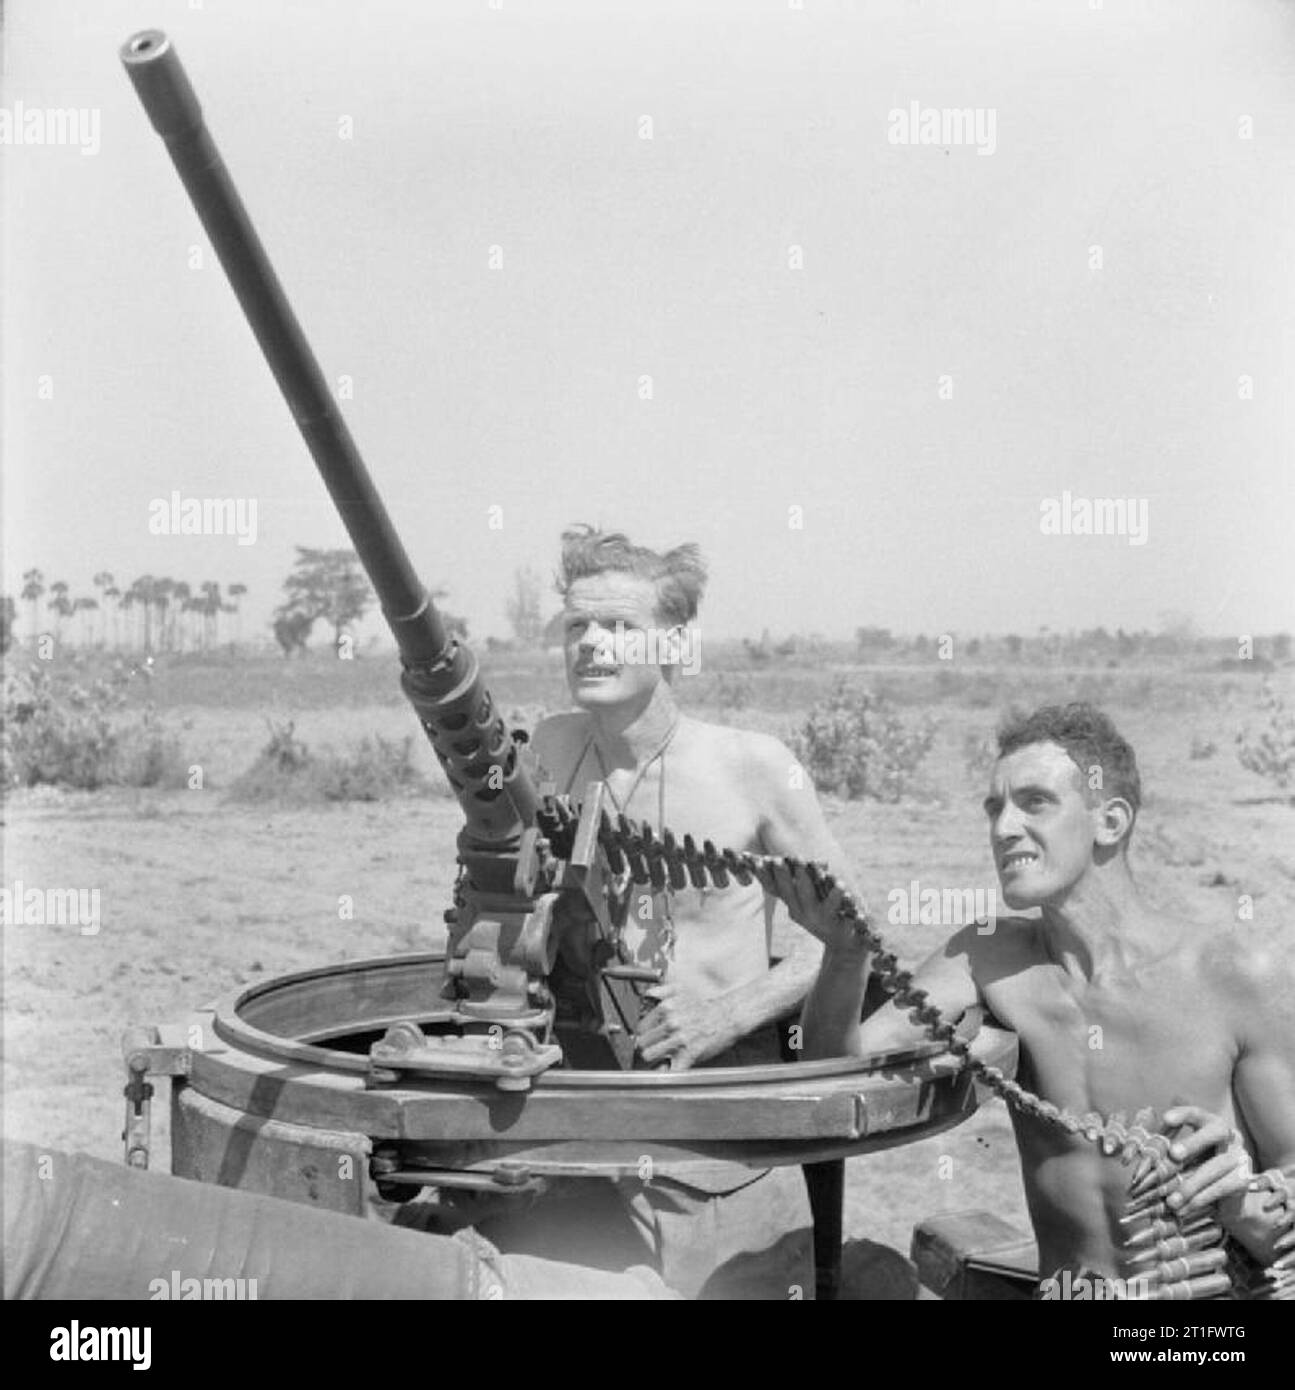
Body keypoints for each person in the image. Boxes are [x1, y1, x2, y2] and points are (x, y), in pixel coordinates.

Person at [470, 524, 857, 1298]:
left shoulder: (752, 768)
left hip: (717, 1137)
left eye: (620, 627)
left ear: (676, 644)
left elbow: (848, 938)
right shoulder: (549, 747)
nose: (593, 645)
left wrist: (730, 1010)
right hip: (578, 1127)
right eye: (578, 626)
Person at [799, 702, 1295, 1297]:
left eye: (1034, 802)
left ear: (1109, 822)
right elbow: (834, 1073)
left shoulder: (1234, 974)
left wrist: (1238, 1204)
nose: (1003, 828)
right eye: (994, 809)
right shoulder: (987, 957)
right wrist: (844, 955)